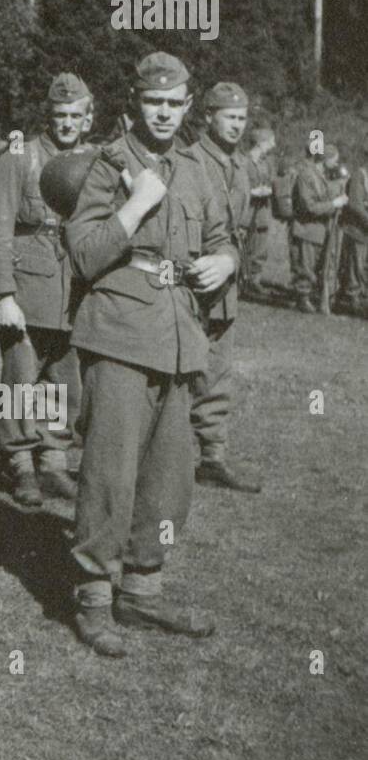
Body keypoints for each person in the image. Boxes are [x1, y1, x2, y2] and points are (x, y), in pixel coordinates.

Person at [65, 51, 235, 658]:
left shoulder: (197, 166)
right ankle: (92, 595)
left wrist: (227, 261)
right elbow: (83, 253)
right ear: (133, 104)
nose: (163, 113)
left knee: (169, 477)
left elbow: (220, 238)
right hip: (118, 328)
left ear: (189, 107)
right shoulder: (109, 162)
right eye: (152, 102)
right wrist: (134, 204)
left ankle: (142, 587)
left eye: (174, 104)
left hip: (178, 333)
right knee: (110, 470)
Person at [0, 73, 91, 506]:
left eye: (75, 116)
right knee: (20, 381)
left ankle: (53, 463)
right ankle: (21, 465)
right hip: (27, 288)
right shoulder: (20, 156)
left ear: (88, 118)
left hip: (75, 289)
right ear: (48, 116)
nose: (67, 124)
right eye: (59, 115)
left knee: (66, 381)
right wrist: (2, 294)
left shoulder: (97, 160)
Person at [187, 84, 263, 493]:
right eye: (230, 117)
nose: (237, 125)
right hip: (193, 279)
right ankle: (174, 453)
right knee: (182, 369)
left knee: (218, 371)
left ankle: (212, 456)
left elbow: (241, 225)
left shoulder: (239, 166)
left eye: (242, 118)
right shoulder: (190, 160)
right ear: (208, 116)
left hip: (226, 280)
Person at [291, 142, 347, 314]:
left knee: (314, 266)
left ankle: (309, 297)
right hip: (307, 228)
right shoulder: (306, 175)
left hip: (319, 230)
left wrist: (340, 185)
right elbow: (309, 206)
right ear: (326, 159)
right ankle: (302, 298)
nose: (336, 164)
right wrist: (334, 204)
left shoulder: (322, 175)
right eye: (334, 160)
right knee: (306, 266)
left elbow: (325, 195)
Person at [242, 121, 276, 298]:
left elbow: (271, 182)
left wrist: (268, 189)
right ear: (260, 142)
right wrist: (252, 191)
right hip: (246, 212)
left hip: (262, 211)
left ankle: (254, 281)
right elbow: (237, 186)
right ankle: (241, 281)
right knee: (243, 246)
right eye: (271, 141)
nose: (273, 145)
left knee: (259, 248)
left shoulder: (266, 163)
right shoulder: (243, 161)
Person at [340, 140, 368, 316]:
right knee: (355, 265)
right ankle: (352, 298)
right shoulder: (360, 175)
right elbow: (355, 205)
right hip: (357, 229)